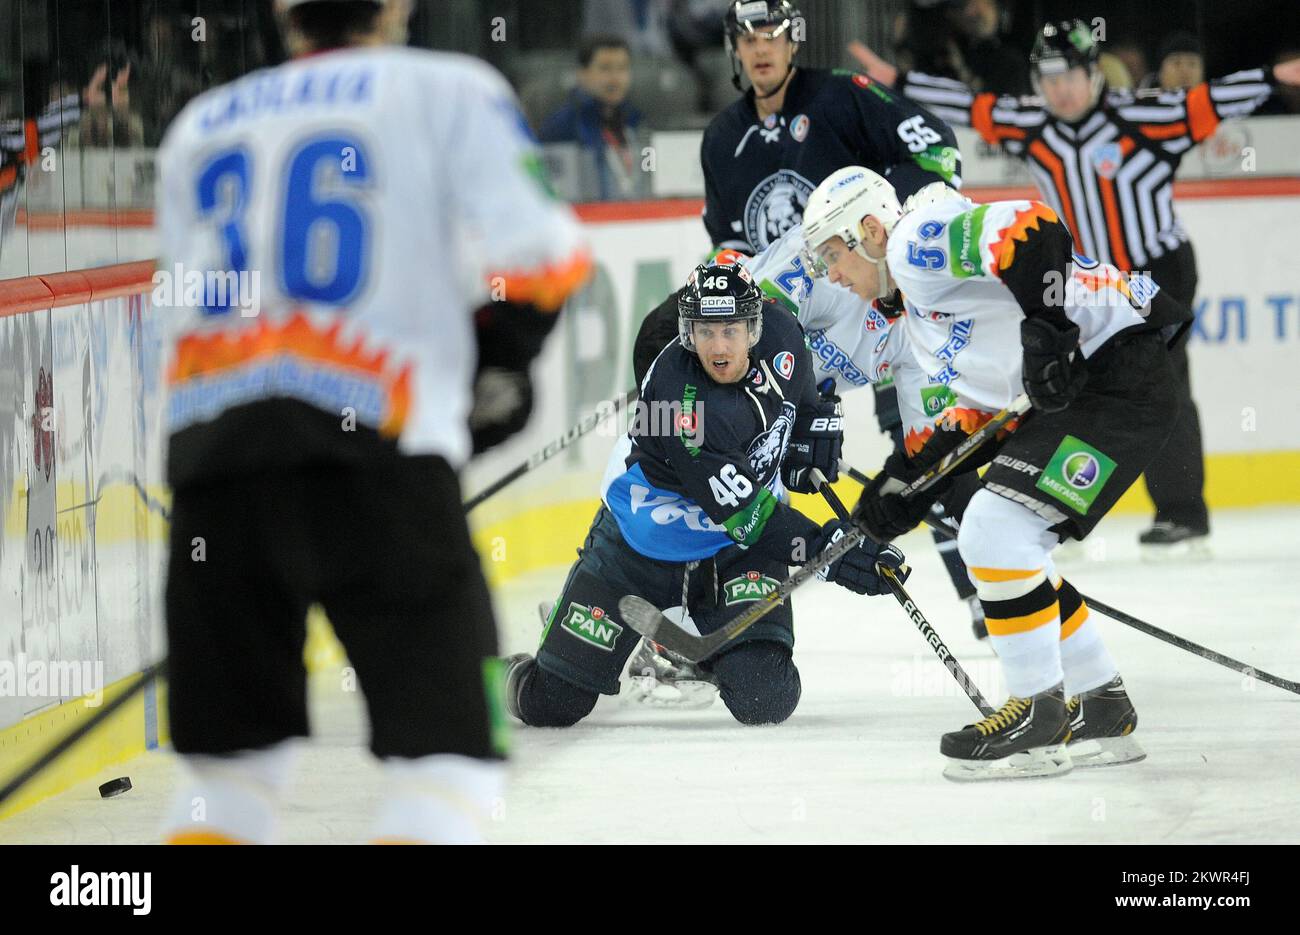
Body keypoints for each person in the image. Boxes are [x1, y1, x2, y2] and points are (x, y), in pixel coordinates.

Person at [154, 0, 590, 844]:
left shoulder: (199, 125)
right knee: (447, 767)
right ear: (396, 5)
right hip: (378, 459)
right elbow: (544, 258)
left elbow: (183, 320)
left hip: (215, 467)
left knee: (227, 784)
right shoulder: (446, 88)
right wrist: (495, 367)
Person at [847, 21, 1300, 554]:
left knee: (1162, 379)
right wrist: (898, 81)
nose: (1058, 90)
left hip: (1155, 266)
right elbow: (974, 106)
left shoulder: (1144, 116)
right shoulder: (1035, 124)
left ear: (1093, 74)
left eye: (1069, 76)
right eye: (1047, 78)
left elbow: (1210, 100)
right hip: (1071, 275)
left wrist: (1274, 78)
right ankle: (1047, 502)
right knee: (1054, 382)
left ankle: (1182, 513)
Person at [801, 167, 1195, 779]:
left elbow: (1033, 228)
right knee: (1007, 536)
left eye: (832, 255)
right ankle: (1102, 701)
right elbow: (978, 417)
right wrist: (901, 487)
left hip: (1120, 381)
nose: (831, 276)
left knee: (993, 528)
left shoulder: (912, 244)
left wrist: (1049, 330)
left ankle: (1038, 712)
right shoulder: (925, 317)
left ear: (869, 231)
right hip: (1103, 387)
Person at [503, 262, 907, 728]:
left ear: (755, 327)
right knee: (551, 704)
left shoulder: (784, 333)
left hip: (731, 556)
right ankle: (504, 671)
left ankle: (690, 641)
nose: (718, 347)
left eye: (730, 330)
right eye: (705, 331)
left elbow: (804, 402)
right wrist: (833, 551)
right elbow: (751, 520)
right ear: (687, 332)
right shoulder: (680, 404)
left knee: (766, 699)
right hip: (639, 550)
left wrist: (807, 434)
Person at [701, 0, 962, 257]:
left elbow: (937, 149)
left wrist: (881, 214)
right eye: (749, 40)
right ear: (734, 49)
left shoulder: (842, 94)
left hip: (860, 286)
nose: (761, 50)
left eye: (771, 37)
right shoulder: (721, 137)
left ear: (792, 43)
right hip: (783, 296)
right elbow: (727, 246)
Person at [540, 35, 649, 201]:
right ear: (582, 74)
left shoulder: (636, 120)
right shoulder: (562, 127)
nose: (615, 78)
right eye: (605, 68)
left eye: (622, 68)